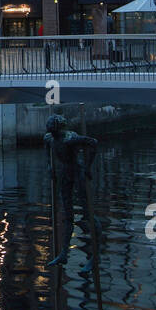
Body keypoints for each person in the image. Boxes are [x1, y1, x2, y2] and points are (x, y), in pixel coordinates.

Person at [44, 115, 101, 271]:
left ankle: (95, 256)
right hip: (65, 174)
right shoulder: (49, 138)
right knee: (68, 215)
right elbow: (47, 147)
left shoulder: (70, 139)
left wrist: (88, 167)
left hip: (78, 173)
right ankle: (64, 252)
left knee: (88, 213)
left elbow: (93, 142)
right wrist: (50, 166)